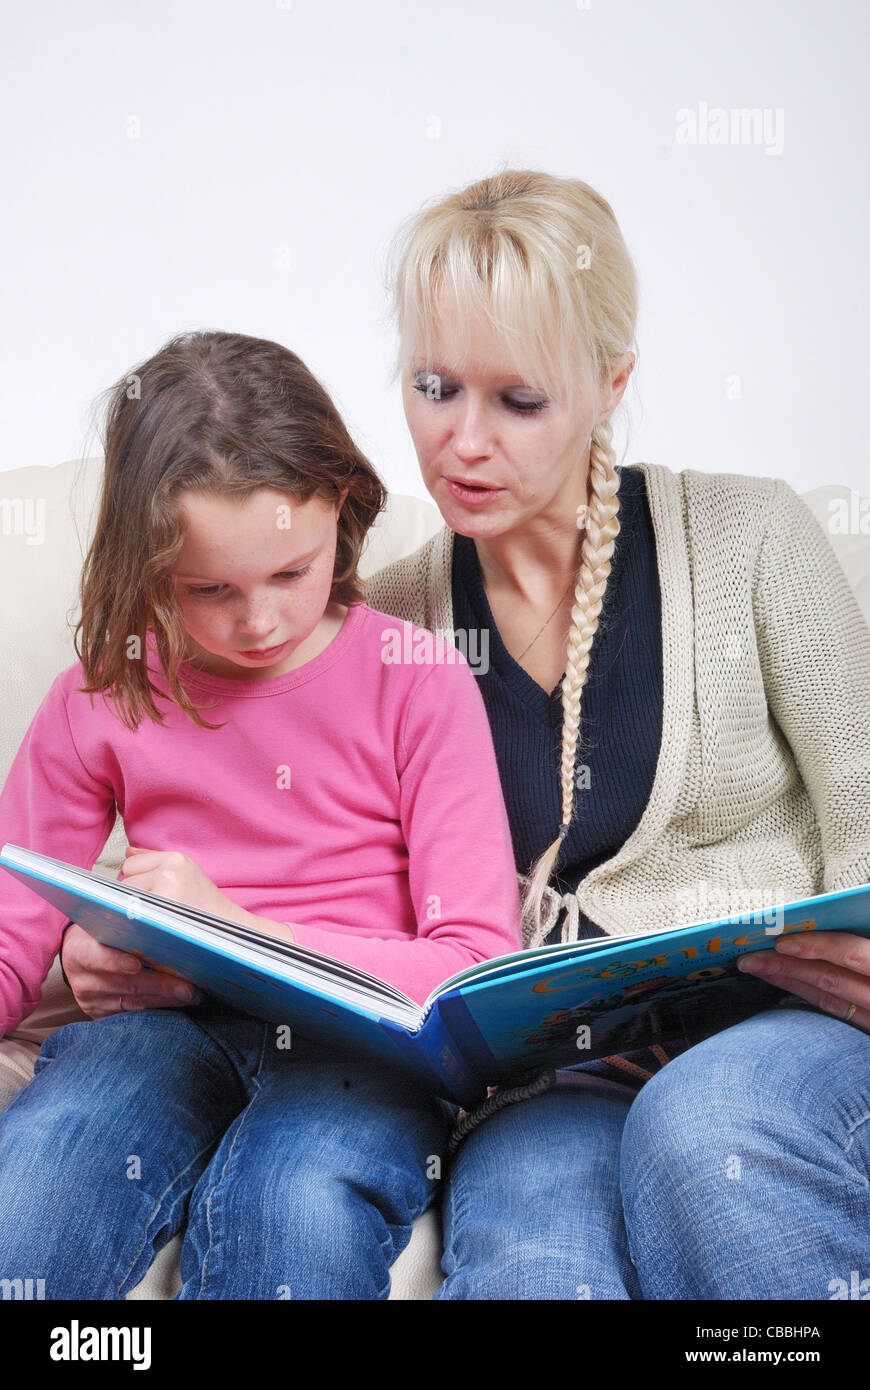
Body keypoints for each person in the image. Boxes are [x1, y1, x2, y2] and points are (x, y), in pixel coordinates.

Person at [60, 169, 870, 1300]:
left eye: (517, 401)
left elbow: (863, 796)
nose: (462, 443)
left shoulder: (752, 536)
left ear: (611, 382)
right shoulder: (376, 627)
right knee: (538, 1267)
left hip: (788, 1034)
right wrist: (116, 945)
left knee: (702, 1129)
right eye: (435, 387)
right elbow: (261, 859)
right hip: (558, 1085)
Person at [0, 329, 523, 1299]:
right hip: (156, 1032)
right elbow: (10, 933)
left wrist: (240, 932)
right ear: (148, 566)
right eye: (210, 591)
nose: (259, 621)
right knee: (45, 1172)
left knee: (291, 1205)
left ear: (344, 507)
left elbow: (473, 967)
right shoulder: (105, 694)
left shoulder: (418, 681)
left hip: (358, 1047)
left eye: (292, 572)